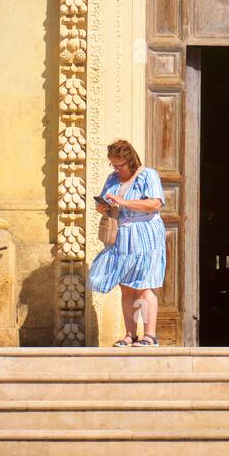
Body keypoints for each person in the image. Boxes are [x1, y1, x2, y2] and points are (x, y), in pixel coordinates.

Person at [88, 138, 166, 347]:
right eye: (113, 165)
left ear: (130, 161)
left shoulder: (147, 175)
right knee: (126, 287)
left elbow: (155, 203)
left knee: (143, 285)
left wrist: (123, 202)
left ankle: (150, 335)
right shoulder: (113, 178)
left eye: (119, 165)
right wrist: (103, 208)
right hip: (122, 236)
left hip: (145, 234)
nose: (117, 169)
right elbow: (106, 202)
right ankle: (130, 334)